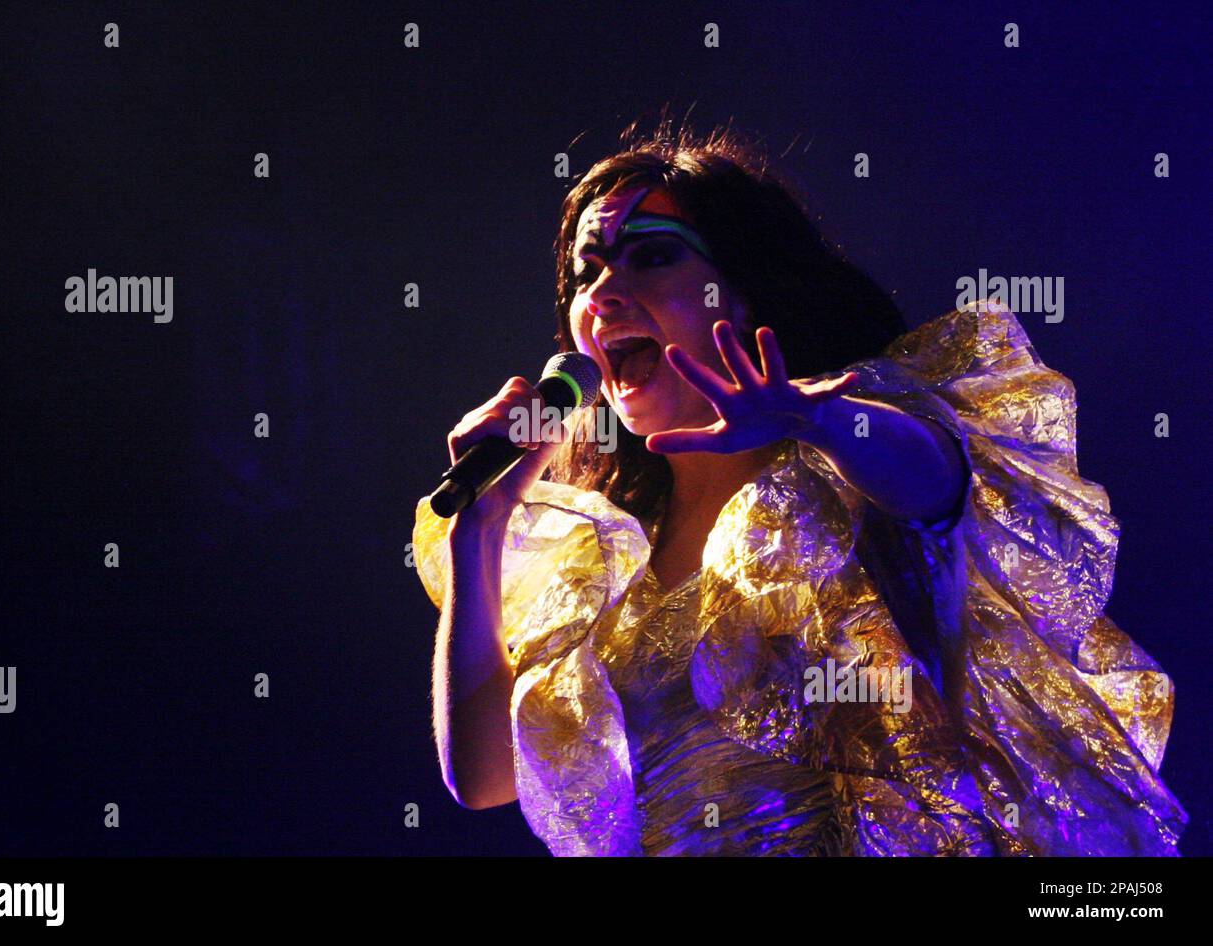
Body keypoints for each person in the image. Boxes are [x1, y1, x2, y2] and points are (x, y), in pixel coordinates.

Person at [412, 122, 1187, 856]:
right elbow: (483, 777)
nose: (602, 294)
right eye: (588, 271)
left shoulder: (847, 472)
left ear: (745, 291)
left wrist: (820, 419)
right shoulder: (603, 562)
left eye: (650, 257)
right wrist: (482, 521)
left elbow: (938, 484)